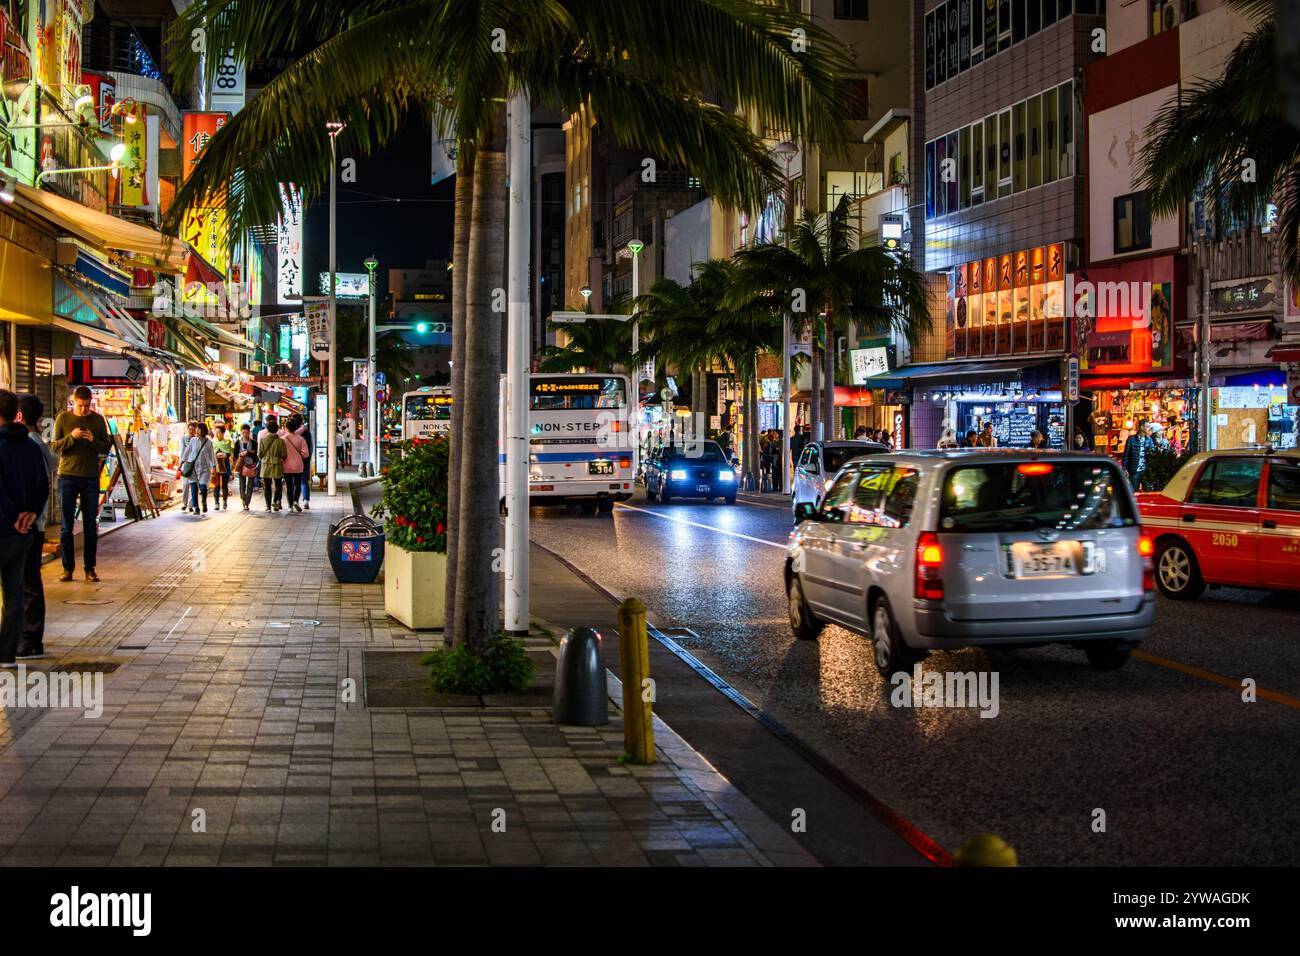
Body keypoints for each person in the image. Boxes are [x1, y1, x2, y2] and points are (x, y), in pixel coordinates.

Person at [0, 390, 48, 668]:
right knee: (15, 591)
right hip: (24, 534)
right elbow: (42, 485)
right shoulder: (31, 446)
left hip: (4, 527)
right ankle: (8, 653)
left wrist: (13, 514)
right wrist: (29, 514)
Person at [49, 385, 111, 583]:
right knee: (66, 525)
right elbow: (54, 447)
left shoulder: (97, 420)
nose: (84, 409)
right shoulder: (63, 419)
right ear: (73, 401)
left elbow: (106, 447)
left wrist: (93, 440)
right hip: (67, 475)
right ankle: (67, 569)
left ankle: (89, 568)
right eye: (80, 405)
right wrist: (72, 437)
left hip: (90, 477)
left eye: (87, 406)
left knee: (90, 525)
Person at [15, 394, 55, 660]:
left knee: (27, 581)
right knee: (28, 580)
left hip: (29, 524)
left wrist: (27, 513)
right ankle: (28, 637)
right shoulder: (40, 445)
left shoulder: (28, 446)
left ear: (19, 416)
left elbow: (38, 485)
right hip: (35, 523)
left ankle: (30, 638)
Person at [180, 421, 216, 514]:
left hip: (204, 469)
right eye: (197, 429)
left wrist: (214, 467)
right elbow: (187, 452)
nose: (197, 431)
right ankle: (196, 508)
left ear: (203, 430)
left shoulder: (208, 443)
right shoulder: (193, 441)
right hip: (193, 468)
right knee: (193, 488)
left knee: (203, 488)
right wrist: (181, 463)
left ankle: (204, 502)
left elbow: (212, 455)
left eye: (199, 429)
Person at [281, 414, 310, 513]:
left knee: (289, 486)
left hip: (286, 465)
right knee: (298, 484)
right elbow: (306, 454)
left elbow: (280, 453)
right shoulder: (301, 439)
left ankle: (290, 506)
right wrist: (299, 456)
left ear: (286, 428)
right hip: (298, 465)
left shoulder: (283, 439)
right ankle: (296, 501)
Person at [258, 417, 287, 512]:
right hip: (277, 464)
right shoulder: (280, 441)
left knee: (267, 486)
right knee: (278, 485)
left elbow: (259, 454)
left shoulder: (262, 440)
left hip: (265, 464)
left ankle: (268, 507)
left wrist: (264, 459)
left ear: (268, 429)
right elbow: (284, 455)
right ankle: (275, 501)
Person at [1122, 421, 1154, 490]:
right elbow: (1126, 455)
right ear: (1142, 427)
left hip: (1146, 471)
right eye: (1147, 426)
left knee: (1148, 492)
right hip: (1134, 471)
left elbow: (1152, 456)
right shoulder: (1131, 439)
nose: (1149, 428)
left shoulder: (1149, 440)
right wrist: (1124, 468)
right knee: (1134, 492)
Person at [234, 423, 258, 511]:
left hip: (251, 465)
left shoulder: (254, 443)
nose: (245, 434)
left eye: (246, 432)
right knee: (242, 484)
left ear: (249, 432)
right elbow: (235, 455)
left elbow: (256, 455)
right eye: (243, 432)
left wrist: (247, 452)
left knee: (250, 485)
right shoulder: (237, 443)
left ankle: (247, 502)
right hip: (241, 465)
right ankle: (243, 499)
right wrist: (240, 456)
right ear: (241, 432)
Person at [211, 423, 233, 510]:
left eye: (219, 433)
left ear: (223, 433)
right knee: (216, 484)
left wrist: (225, 454)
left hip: (225, 465)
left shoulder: (228, 442)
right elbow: (211, 454)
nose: (217, 434)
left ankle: (224, 501)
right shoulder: (212, 442)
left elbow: (230, 453)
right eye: (216, 432)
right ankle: (216, 503)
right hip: (215, 465)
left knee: (224, 484)